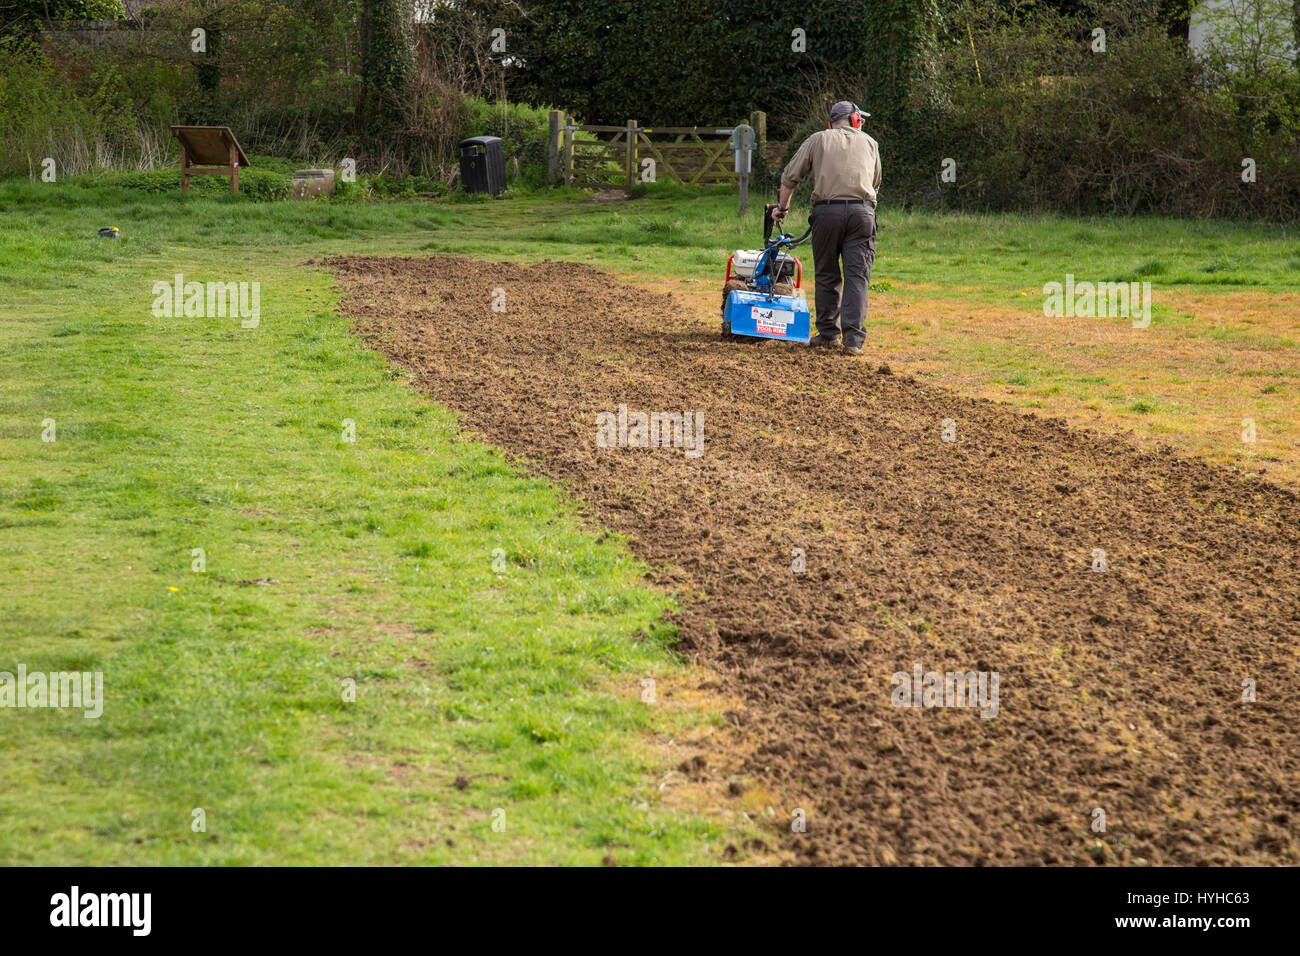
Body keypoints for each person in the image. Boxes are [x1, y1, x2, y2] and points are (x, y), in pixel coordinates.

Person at [774, 101, 881, 355]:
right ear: (854, 120)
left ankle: (828, 334)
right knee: (857, 277)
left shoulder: (817, 139)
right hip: (862, 213)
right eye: (860, 119)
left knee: (826, 273)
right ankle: (853, 341)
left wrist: (782, 208)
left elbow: (790, 176)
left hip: (827, 212)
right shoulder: (870, 143)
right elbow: (876, 182)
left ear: (831, 122)